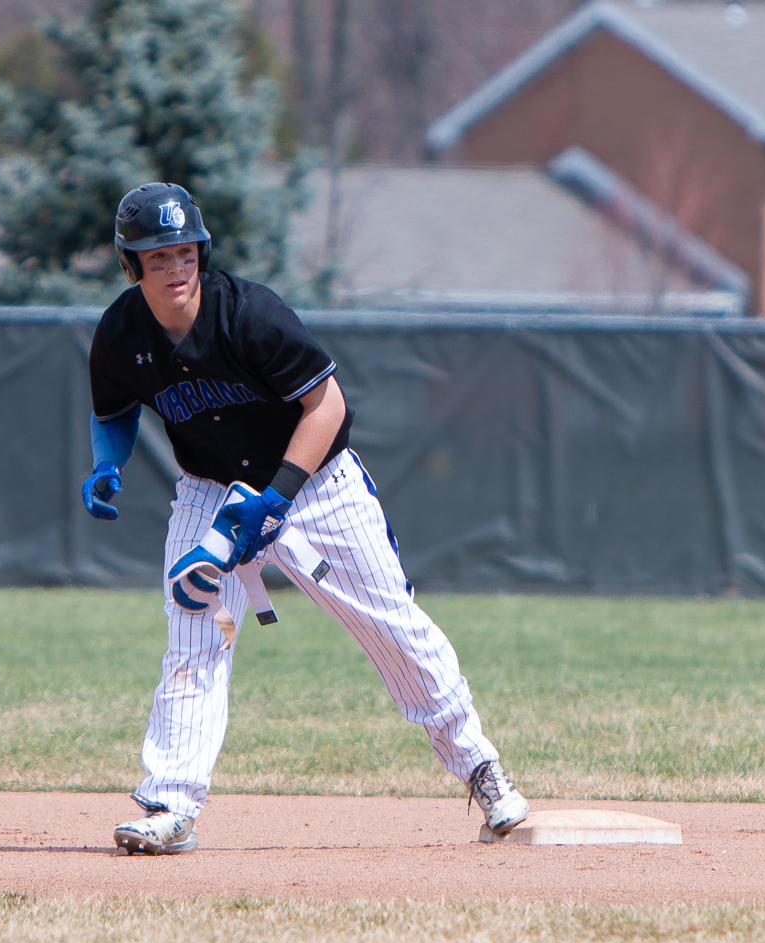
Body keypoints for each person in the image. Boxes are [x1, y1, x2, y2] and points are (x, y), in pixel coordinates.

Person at [83, 182, 533, 854]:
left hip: (316, 485)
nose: (175, 267)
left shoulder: (250, 315)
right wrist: (106, 462)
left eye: (184, 252)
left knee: (391, 627)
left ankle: (481, 770)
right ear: (132, 264)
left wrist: (279, 496)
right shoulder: (122, 334)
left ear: (202, 252)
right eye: (157, 256)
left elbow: (327, 406)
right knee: (197, 636)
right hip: (212, 494)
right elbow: (114, 410)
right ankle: (171, 804)